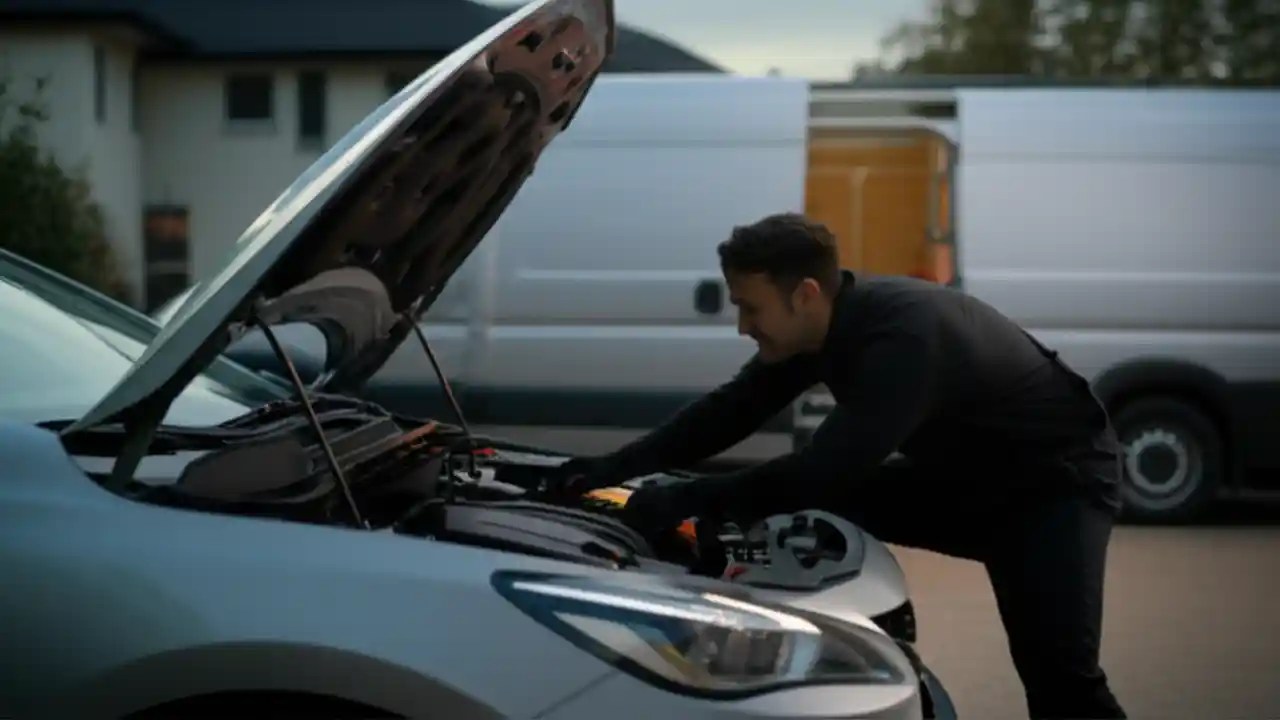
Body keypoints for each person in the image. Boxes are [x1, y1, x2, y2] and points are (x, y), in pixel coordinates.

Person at [553, 213, 1128, 719]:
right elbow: (729, 412)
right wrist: (612, 468)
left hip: (1056, 486)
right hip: (974, 478)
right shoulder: (823, 326)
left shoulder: (903, 336)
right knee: (809, 503)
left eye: (750, 308)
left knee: (1060, 682)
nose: (741, 326)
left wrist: (685, 499)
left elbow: (824, 469)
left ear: (804, 294)